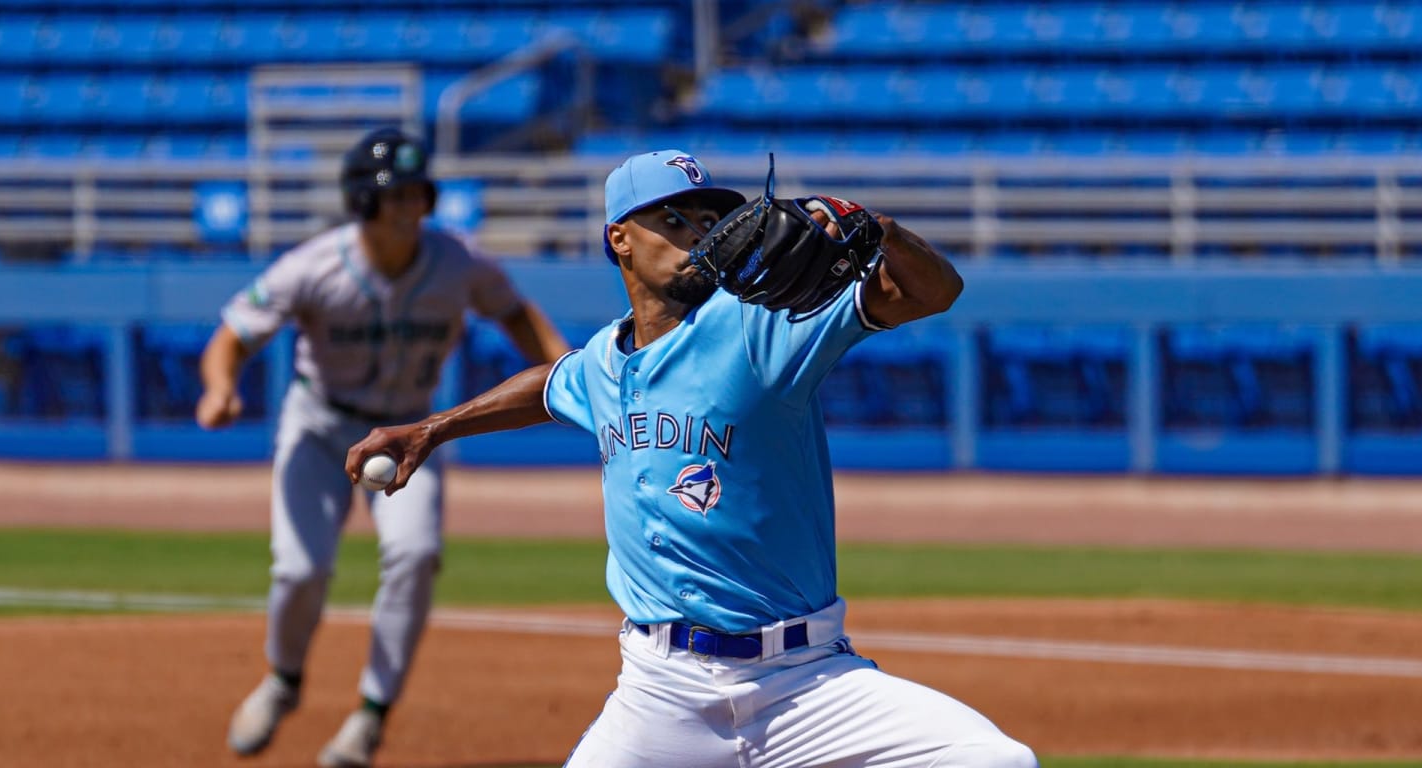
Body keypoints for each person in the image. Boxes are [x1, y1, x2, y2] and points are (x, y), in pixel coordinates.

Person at [344, 150, 1037, 767]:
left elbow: (933, 292)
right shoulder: (604, 364)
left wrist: (878, 229)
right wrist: (432, 429)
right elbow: (550, 385)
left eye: (709, 217)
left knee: (997, 760)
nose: (698, 230)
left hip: (803, 684)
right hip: (659, 693)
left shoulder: (765, 326)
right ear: (619, 238)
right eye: (672, 218)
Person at [197, 127, 569, 768]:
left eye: (416, 194)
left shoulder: (458, 262)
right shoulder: (314, 265)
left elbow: (515, 312)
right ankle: (284, 681)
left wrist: (567, 369)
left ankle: (370, 716)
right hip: (320, 425)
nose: (407, 208)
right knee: (301, 569)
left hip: (407, 431)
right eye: (392, 195)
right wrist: (219, 389)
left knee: (417, 555)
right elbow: (232, 333)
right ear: (362, 201)